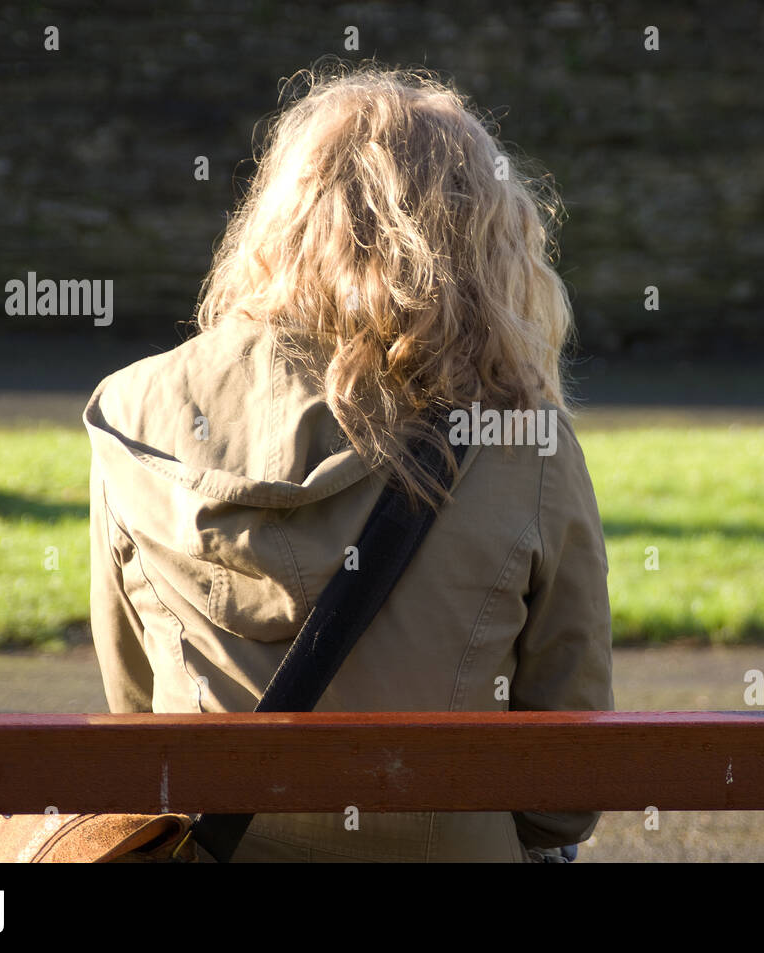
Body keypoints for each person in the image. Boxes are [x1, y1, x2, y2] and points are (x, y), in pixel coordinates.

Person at [83, 64, 614, 862]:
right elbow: (563, 795)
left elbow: (132, 725)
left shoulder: (134, 409)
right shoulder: (526, 439)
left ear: (278, 220)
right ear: (486, 241)